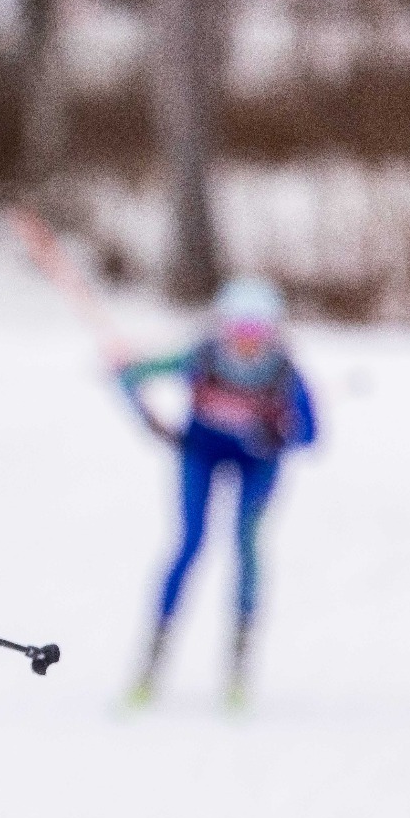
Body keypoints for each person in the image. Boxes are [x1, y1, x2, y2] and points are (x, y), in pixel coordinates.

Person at [119, 277, 317, 706]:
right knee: (189, 545)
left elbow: (312, 433)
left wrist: (280, 434)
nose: (247, 342)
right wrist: (153, 424)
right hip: (200, 457)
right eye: (237, 330)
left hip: (258, 467)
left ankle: (238, 672)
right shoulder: (200, 357)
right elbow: (128, 377)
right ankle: (148, 669)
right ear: (222, 327)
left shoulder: (284, 371)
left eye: (258, 332)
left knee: (245, 545)